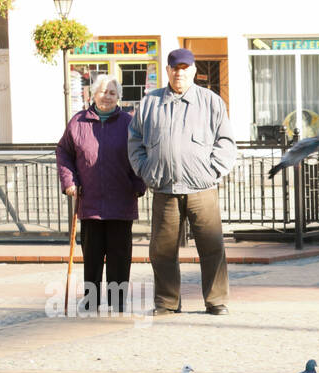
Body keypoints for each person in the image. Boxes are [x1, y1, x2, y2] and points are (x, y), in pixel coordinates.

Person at [127, 48, 236, 316]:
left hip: (202, 189)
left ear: (194, 71)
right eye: (175, 68)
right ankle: (166, 301)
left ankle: (216, 300)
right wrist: (146, 170)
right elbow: (135, 142)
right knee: (162, 250)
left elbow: (226, 142)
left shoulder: (211, 102)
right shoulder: (150, 103)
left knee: (212, 248)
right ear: (167, 71)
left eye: (185, 68)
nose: (180, 73)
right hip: (165, 188)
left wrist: (212, 171)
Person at [55, 74, 145, 314]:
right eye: (103, 91)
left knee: (119, 256)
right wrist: (69, 182)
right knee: (92, 257)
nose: (107, 96)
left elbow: (140, 153)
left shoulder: (129, 123)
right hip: (90, 200)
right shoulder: (78, 122)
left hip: (121, 200)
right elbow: (64, 152)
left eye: (112, 93)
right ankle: (91, 300)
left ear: (119, 98)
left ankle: (117, 302)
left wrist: (138, 183)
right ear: (92, 95)